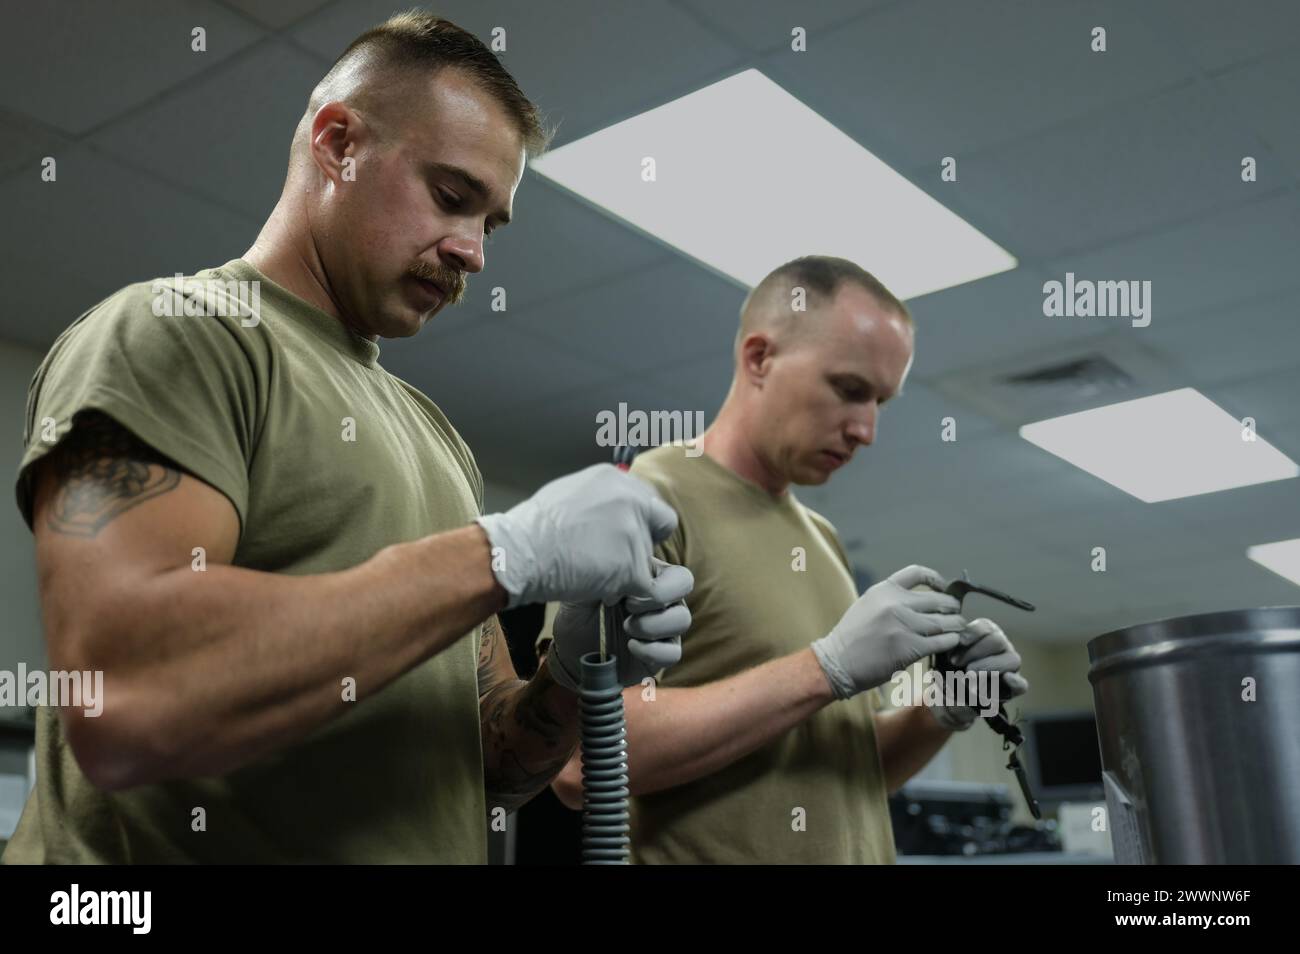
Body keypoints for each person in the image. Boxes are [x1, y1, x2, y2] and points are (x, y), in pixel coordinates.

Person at [3, 11, 691, 864]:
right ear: (337, 144)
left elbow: (488, 769)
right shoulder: (176, 331)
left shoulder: (438, 440)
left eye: (492, 224)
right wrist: (503, 554)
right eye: (451, 197)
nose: (474, 252)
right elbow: (123, 699)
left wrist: (570, 676)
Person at [546, 256, 1029, 863]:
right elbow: (578, 764)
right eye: (850, 389)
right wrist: (823, 668)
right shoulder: (641, 503)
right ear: (759, 358)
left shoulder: (822, 538)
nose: (867, 430)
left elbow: (849, 771)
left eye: (882, 400)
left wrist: (943, 709)